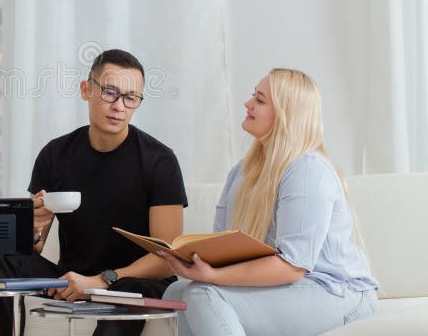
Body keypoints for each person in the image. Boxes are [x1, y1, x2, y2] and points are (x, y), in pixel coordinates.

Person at [161, 68, 379, 336]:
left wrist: (213, 277)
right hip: (291, 286)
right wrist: (195, 261)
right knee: (176, 291)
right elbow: (221, 244)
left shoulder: (307, 170)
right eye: (254, 96)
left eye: (260, 100)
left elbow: (292, 266)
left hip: (338, 292)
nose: (248, 104)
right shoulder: (242, 171)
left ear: (286, 116)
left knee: (203, 293)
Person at [0, 49, 187, 336]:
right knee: (1, 255)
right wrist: (30, 227)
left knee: (126, 292)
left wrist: (104, 279)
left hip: (129, 280)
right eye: (109, 92)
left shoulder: (159, 160)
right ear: (86, 90)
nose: (119, 106)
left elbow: (167, 256)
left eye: (131, 98)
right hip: (72, 279)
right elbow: (35, 247)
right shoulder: (55, 154)